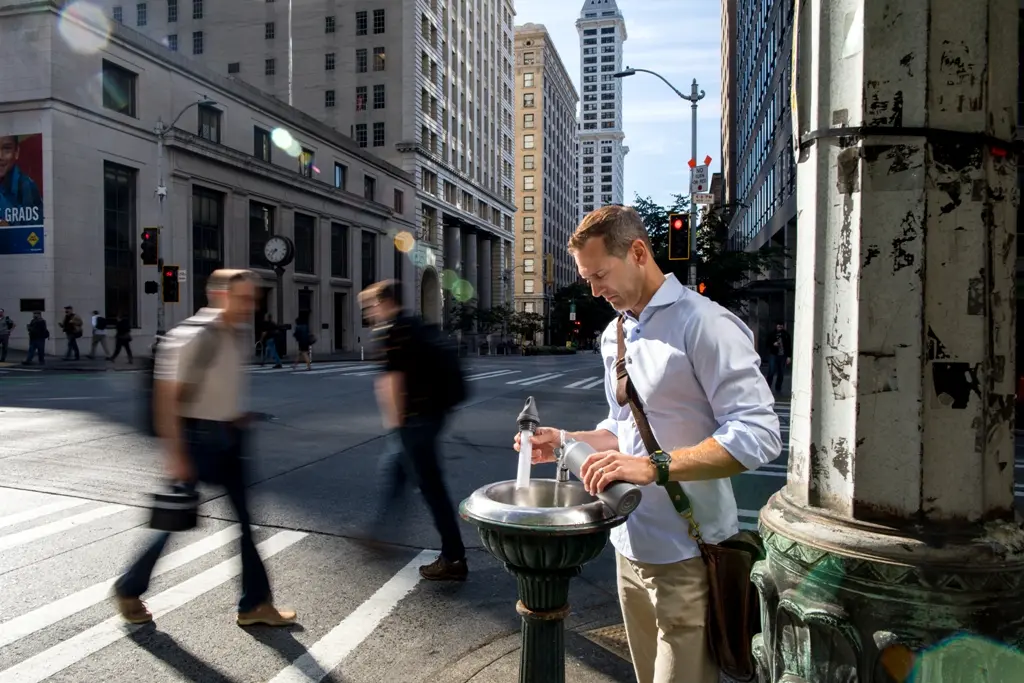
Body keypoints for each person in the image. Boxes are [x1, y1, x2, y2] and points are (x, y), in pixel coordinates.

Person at [514, 206, 782, 683]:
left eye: (600, 274)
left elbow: (759, 434)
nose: (595, 290)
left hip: (688, 550)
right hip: (627, 543)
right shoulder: (614, 333)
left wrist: (653, 466)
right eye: (587, 279)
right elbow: (622, 429)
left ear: (638, 252)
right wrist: (565, 440)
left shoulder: (704, 324)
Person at [114, 269, 296, 627]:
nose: (250, 305)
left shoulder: (236, 334)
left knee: (243, 524)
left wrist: (235, 414)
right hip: (197, 441)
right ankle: (129, 586)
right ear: (219, 295)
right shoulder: (192, 336)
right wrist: (176, 454)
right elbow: (166, 400)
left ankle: (254, 604)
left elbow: (216, 387)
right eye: (243, 298)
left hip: (228, 438)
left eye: (253, 299)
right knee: (173, 519)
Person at [359, 279, 468, 581]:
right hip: (431, 415)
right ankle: (379, 533)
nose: (368, 312)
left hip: (414, 421)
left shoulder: (392, 331)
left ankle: (454, 556)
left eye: (369, 305)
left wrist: (396, 425)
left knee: (431, 488)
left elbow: (391, 382)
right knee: (394, 474)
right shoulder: (416, 325)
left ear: (383, 302)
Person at [766, 322, 792, 394]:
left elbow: (788, 346)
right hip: (774, 355)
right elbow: (767, 343)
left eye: (781, 326)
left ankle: (778, 388)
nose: (780, 327)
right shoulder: (772, 334)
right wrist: (773, 344)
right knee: (771, 371)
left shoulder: (786, 335)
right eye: (778, 326)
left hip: (783, 355)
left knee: (781, 372)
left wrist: (789, 356)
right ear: (776, 326)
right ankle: (768, 386)